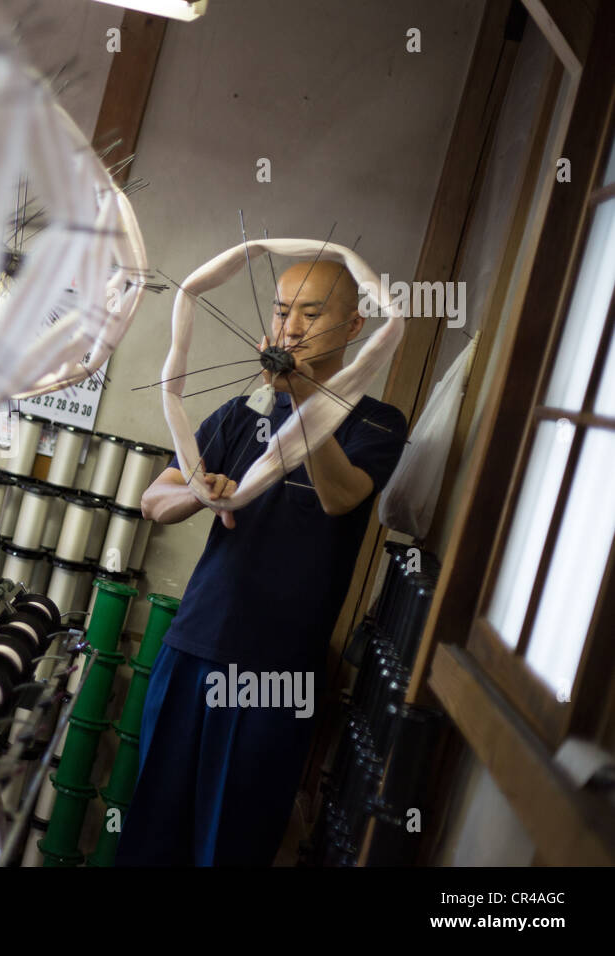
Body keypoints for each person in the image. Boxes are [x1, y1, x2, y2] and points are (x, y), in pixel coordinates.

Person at [115, 261, 407, 866]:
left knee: (231, 842)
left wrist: (302, 397)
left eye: (310, 313)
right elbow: (153, 501)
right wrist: (199, 491)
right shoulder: (238, 414)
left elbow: (343, 496)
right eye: (280, 311)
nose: (290, 327)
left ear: (354, 326)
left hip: (276, 675)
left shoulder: (377, 422)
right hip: (191, 647)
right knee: (151, 833)